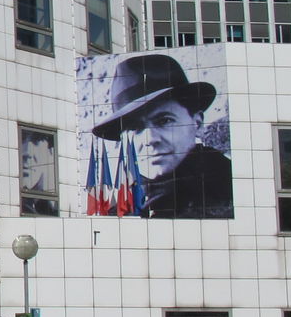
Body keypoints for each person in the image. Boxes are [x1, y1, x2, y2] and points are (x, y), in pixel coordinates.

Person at [91, 52, 232, 218]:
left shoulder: (230, 192)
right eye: (134, 127)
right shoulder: (119, 210)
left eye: (164, 121)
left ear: (197, 123)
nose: (150, 139)